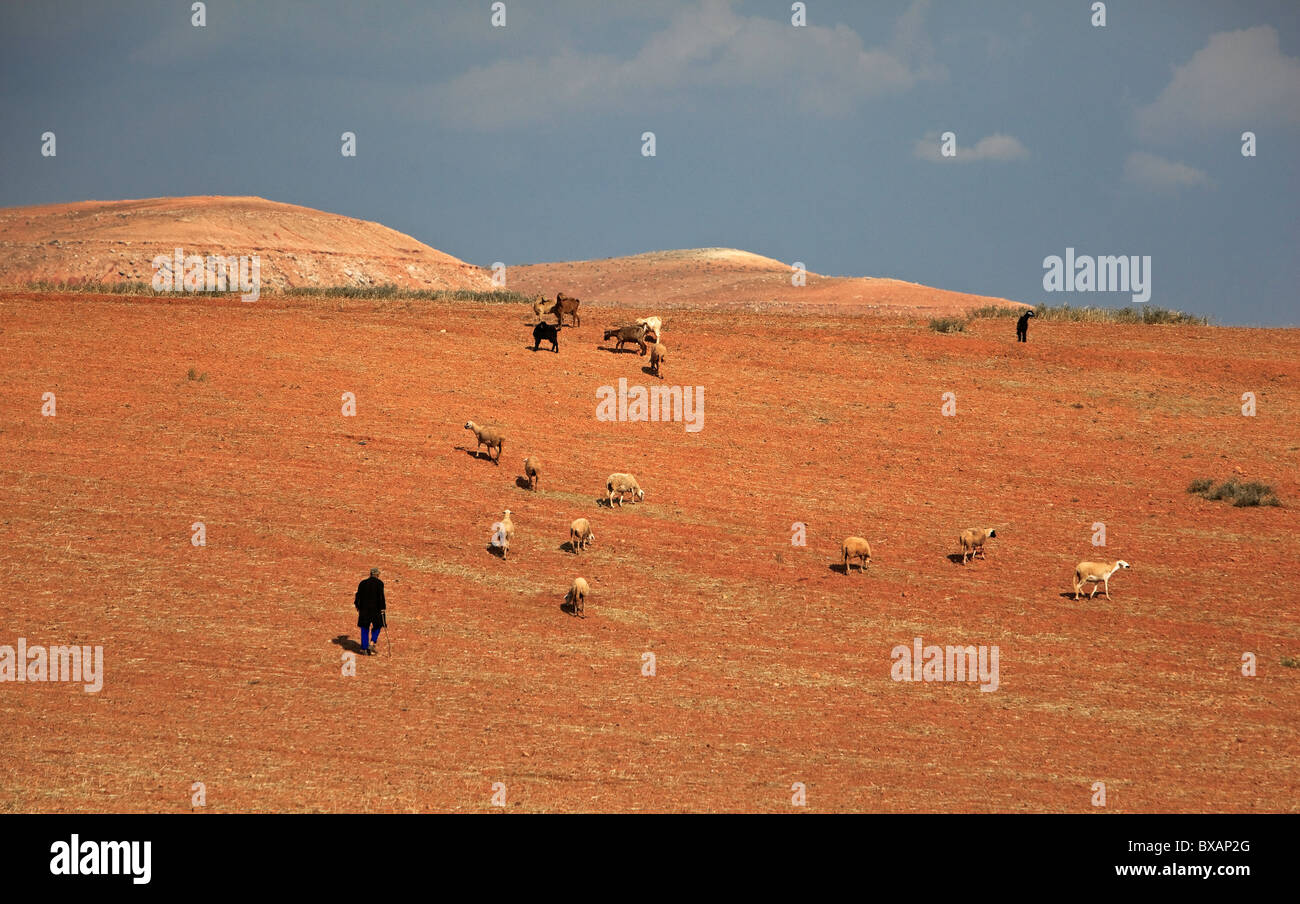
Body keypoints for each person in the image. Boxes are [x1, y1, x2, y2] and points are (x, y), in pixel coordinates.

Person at [354, 567, 386, 655]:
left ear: (370, 574)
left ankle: (364, 648)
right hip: (376, 610)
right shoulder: (380, 583)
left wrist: (357, 605)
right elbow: (381, 597)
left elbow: (358, 596)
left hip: (364, 610)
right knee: (378, 625)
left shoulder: (362, 583)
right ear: (377, 574)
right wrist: (383, 608)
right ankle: (372, 643)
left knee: (364, 628)